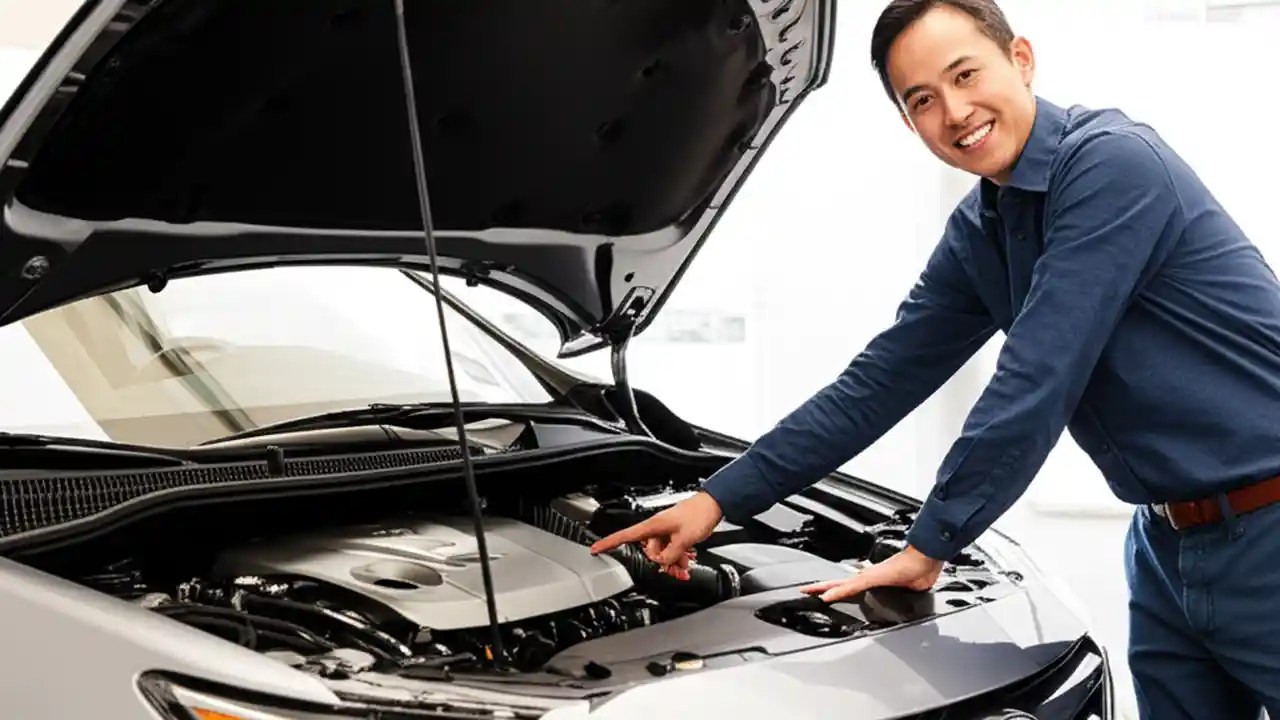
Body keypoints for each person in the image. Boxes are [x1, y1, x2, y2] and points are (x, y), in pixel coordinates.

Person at [589, 0, 1280, 716]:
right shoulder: (982, 229)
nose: (954, 111)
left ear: (1021, 60)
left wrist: (931, 547)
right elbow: (879, 381)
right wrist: (716, 499)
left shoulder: (1113, 166)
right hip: (1165, 543)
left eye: (965, 74)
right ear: (907, 122)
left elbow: (1039, 376)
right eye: (922, 99)